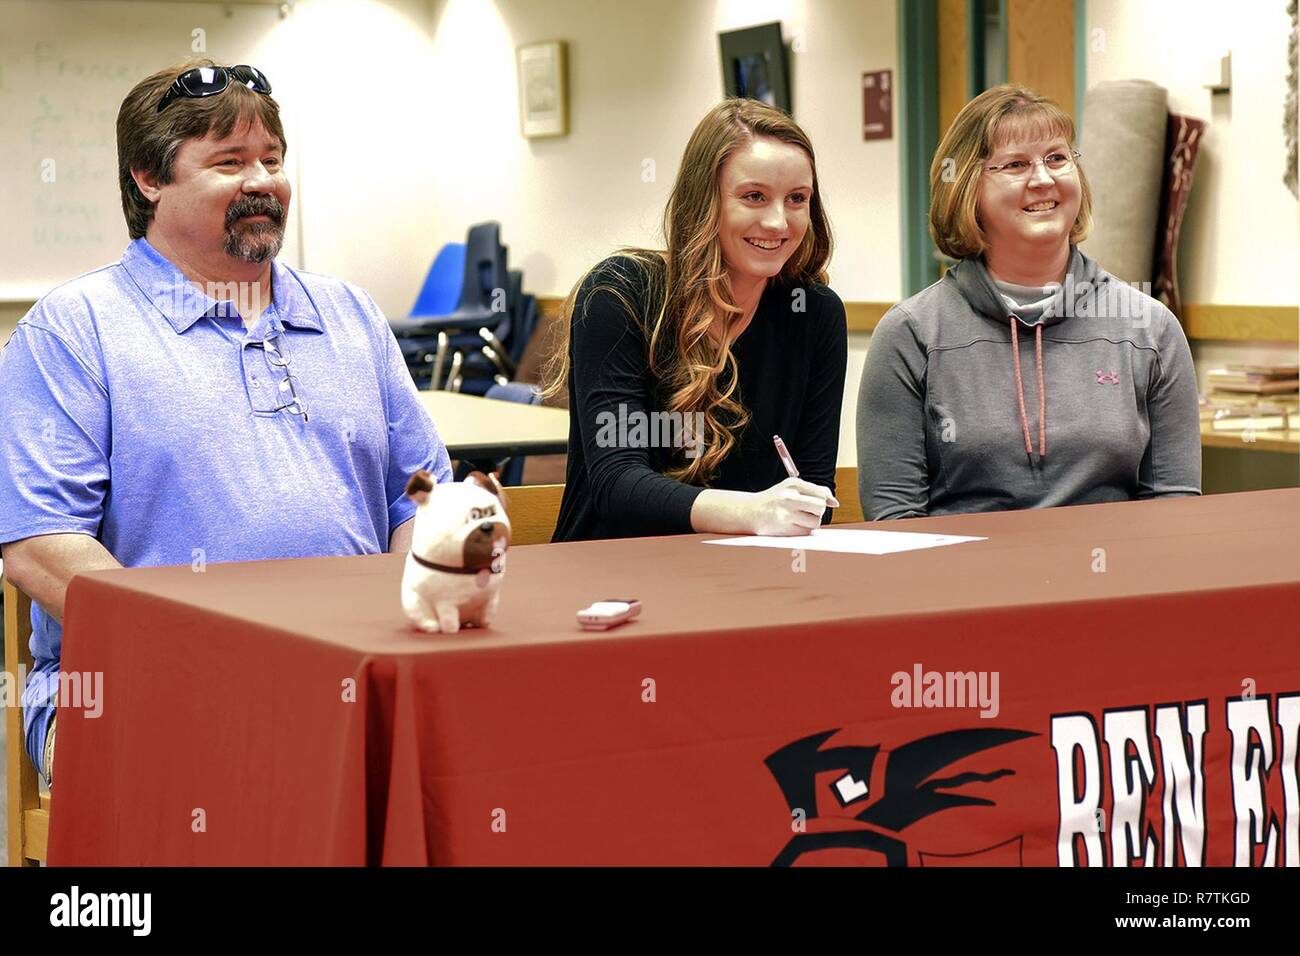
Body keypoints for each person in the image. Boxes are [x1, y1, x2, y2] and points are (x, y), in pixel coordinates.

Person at [0, 59, 452, 787]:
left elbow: (422, 495)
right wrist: (207, 647)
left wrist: (399, 619)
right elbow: (40, 548)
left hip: (359, 671)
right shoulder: (73, 331)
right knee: (257, 786)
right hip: (143, 686)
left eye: (272, 160)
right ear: (149, 179)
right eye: (229, 162)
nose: (263, 181)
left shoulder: (350, 316)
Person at [856, 84, 1200, 520]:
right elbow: (895, 520)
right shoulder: (911, 334)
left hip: (1113, 580)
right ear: (966, 188)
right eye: (1016, 164)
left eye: (1057, 158)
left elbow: (1174, 508)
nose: (1043, 179)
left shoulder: (1150, 327)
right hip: (965, 584)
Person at [549, 98, 846, 542]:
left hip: (746, 576)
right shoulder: (621, 293)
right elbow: (617, 483)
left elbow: (814, 490)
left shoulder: (815, 313)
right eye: (753, 196)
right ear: (703, 200)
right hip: (613, 572)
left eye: (797, 199)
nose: (778, 221)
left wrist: (795, 508)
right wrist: (756, 510)